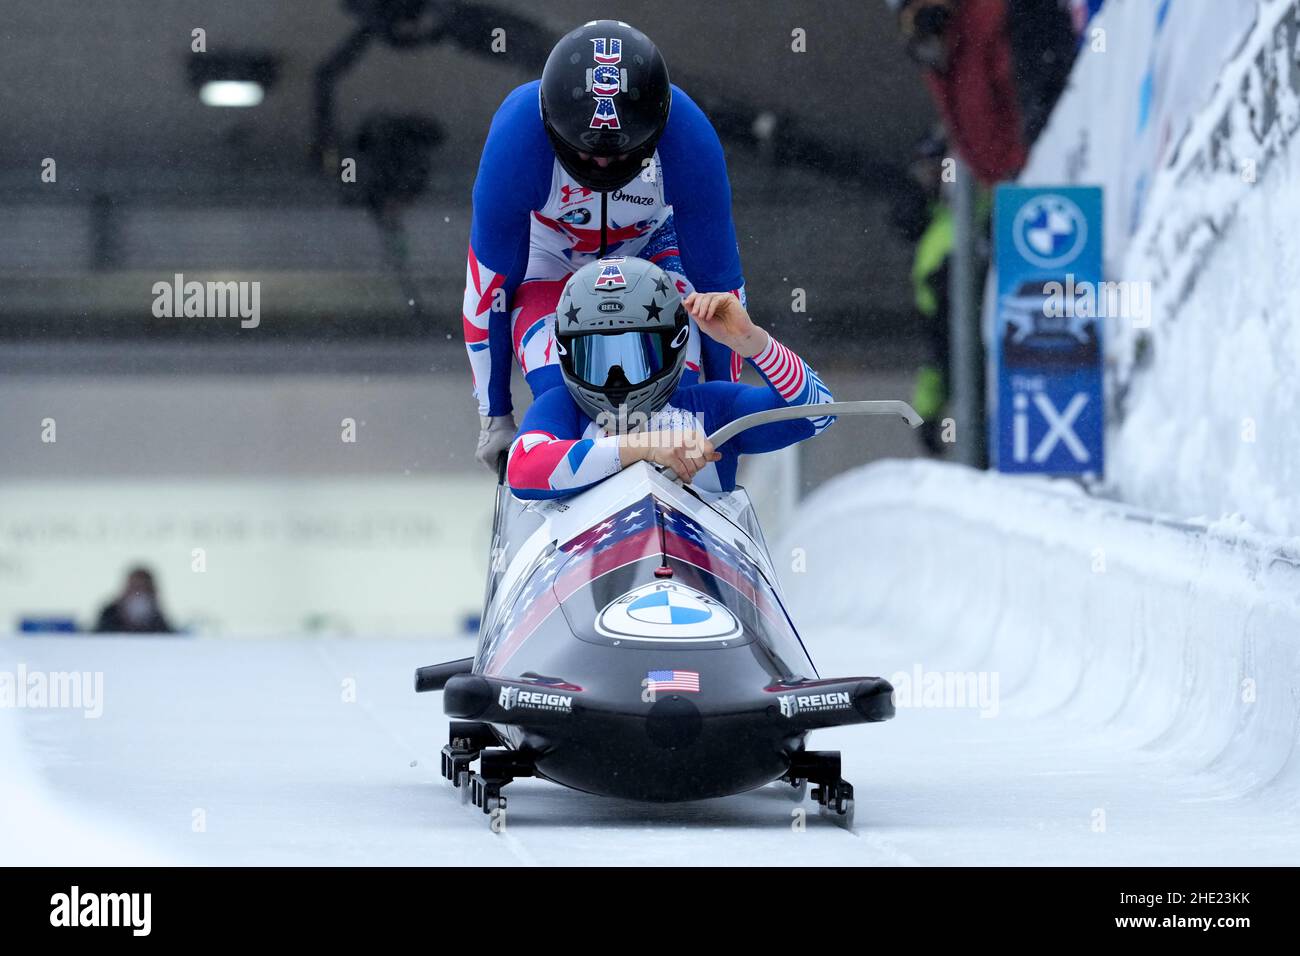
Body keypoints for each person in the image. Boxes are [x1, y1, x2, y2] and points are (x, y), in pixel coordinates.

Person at [463, 19, 747, 470]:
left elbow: (718, 288)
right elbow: (490, 287)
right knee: (562, 389)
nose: (599, 161)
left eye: (619, 153)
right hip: (551, 259)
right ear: (551, 126)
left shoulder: (690, 142)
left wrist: (722, 425)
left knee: (677, 386)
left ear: (656, 131)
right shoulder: (517, 138)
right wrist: (495, 414)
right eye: (583, 150)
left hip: (651, 246)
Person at [506, 257, 833, 499]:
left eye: (636, 356)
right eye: (598, 358)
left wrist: (751, 342)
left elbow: (817, 413)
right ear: (567, 354)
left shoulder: (712, 409)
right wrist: (645, 448)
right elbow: (522, 470)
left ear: (673, 346)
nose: (617, 378)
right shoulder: (563, 407)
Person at [94, 566, 175, 634]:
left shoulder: (160, 625)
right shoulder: (107, 618)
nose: (139, 594)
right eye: (135, 588)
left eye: (145, 590)